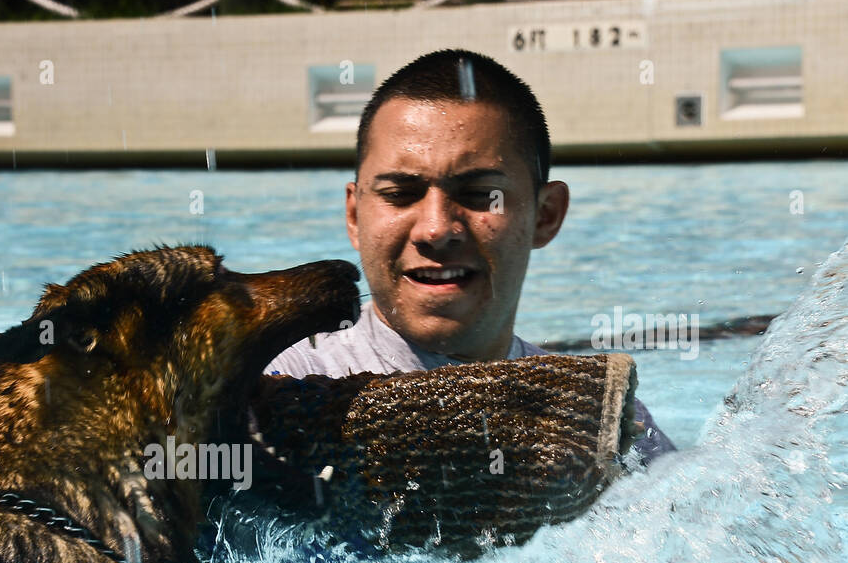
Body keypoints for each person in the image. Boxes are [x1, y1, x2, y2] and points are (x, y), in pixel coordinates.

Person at [265, 48, 675, 462]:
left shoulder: (602, 425)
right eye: (400, 194)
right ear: (354, 216)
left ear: (545, 216)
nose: (436, 229)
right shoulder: (273, 391)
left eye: (479, 195)